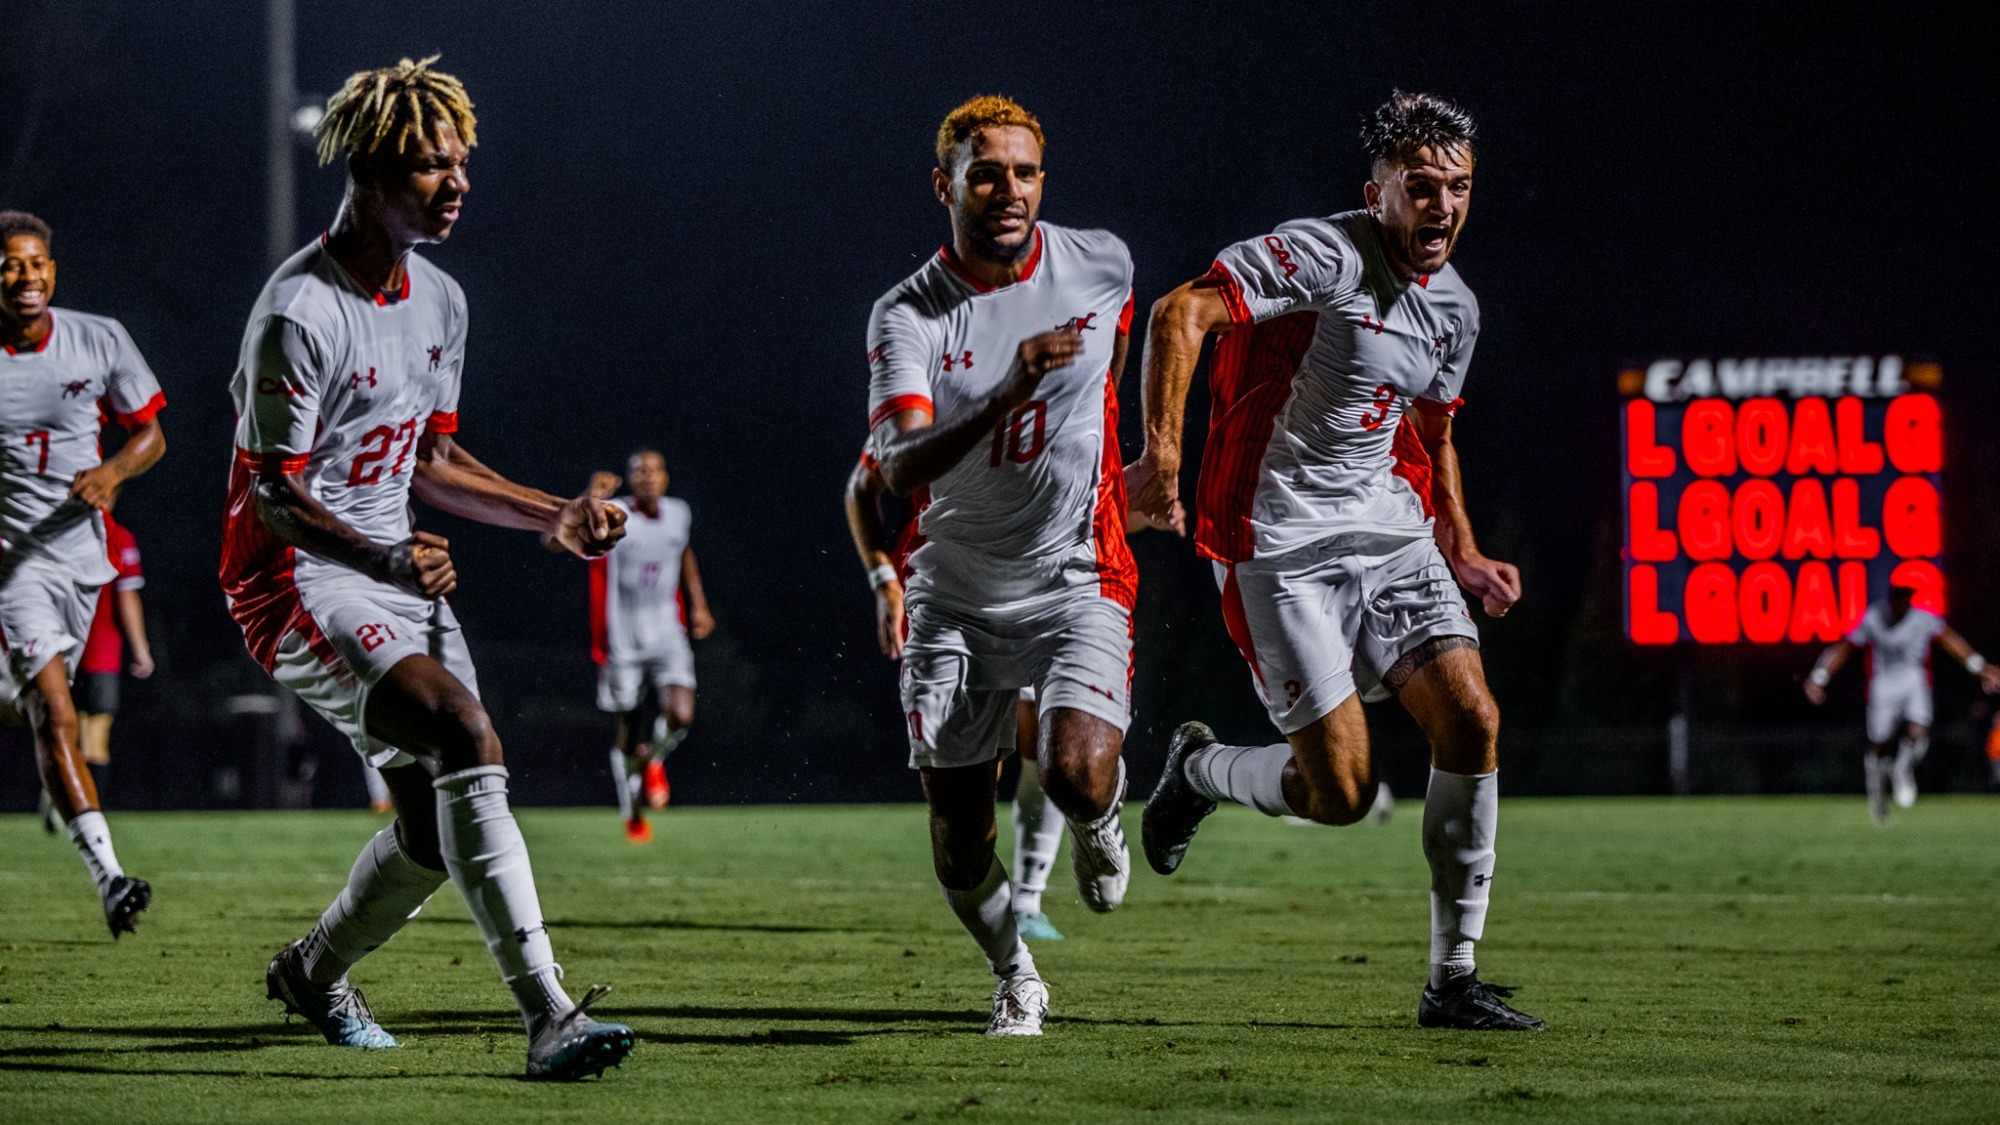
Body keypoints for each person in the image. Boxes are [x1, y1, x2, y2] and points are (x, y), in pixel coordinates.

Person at [218, 57, 634, 1078]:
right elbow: (273, 492)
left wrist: (554, 515)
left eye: (460, 165)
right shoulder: (299, 312)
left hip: (392, 572)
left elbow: (431, 459)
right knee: (463, 729)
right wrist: (381, 552)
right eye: (427, 166)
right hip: (293, 579)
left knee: (432, 831)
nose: (455, 184)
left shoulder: (440, 299)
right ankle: (549, 1016)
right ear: (366, 168)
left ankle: (312, 975)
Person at [1130, 91, 1544, 1031]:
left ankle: (1453, 980)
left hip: (1390, 534)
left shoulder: (1457, 310)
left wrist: (1464, 547)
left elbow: (1431, 433)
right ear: (1379, 190)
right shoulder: (1324, 253)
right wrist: (1161, 458)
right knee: (1341, 795)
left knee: (1473, 718)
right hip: (1275, 542)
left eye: (1460, 187)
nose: (1442, 206)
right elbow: (1180, 313)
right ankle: (1199, 771)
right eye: (1422, 186)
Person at [863, 95, 1146, 1036]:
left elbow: (1126, 363)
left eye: (1024, 172)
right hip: (953, 589)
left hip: (1077, 571)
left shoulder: (1101, 263)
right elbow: (896, 465)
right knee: (956, 840)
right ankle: (1015, 970)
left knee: (1071, 770)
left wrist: (1159, 457)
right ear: (942, 185)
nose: (1008, 191)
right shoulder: (907, 314)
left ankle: (1100, 818)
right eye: (984, 173)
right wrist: (1007, 388)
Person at [1, 208, 165, 938]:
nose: (24, 276)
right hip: (15, 565)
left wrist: (111, 471)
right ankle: (109, 876)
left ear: (52, 272)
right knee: (57, 711)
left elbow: (151, 433)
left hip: (82, 562)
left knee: (41, 711)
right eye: (9, 264)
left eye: (34, 263)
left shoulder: (99, 338)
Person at [585, 451, 713, 842]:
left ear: (666, 478)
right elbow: (558, 540)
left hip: (667, 632)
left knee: (681, 715)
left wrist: (699, 604)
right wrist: (590, 501)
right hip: (622, 637)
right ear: (629, 479)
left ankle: (653, 760)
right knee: (625, 731)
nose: (648, 477)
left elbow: (683, 551)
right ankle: (633, 812)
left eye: (655, 470)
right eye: (639, 471)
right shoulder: (614, 512)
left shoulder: (679, 512)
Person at [1803, 580, 2000, 820]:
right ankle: (1877, 799)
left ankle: (1902, 767)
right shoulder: (1875, 617)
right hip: (1883, 684)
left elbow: (1950, 640)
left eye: (1908, 598)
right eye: (1900, 598)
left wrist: (1979, 667)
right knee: (1879, 744)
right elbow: (1845, 646)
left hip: (1913, 679)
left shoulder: (1922, 619)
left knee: (1919, 730)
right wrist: (1819, 676)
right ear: (1892, 598)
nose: (1904, 603)